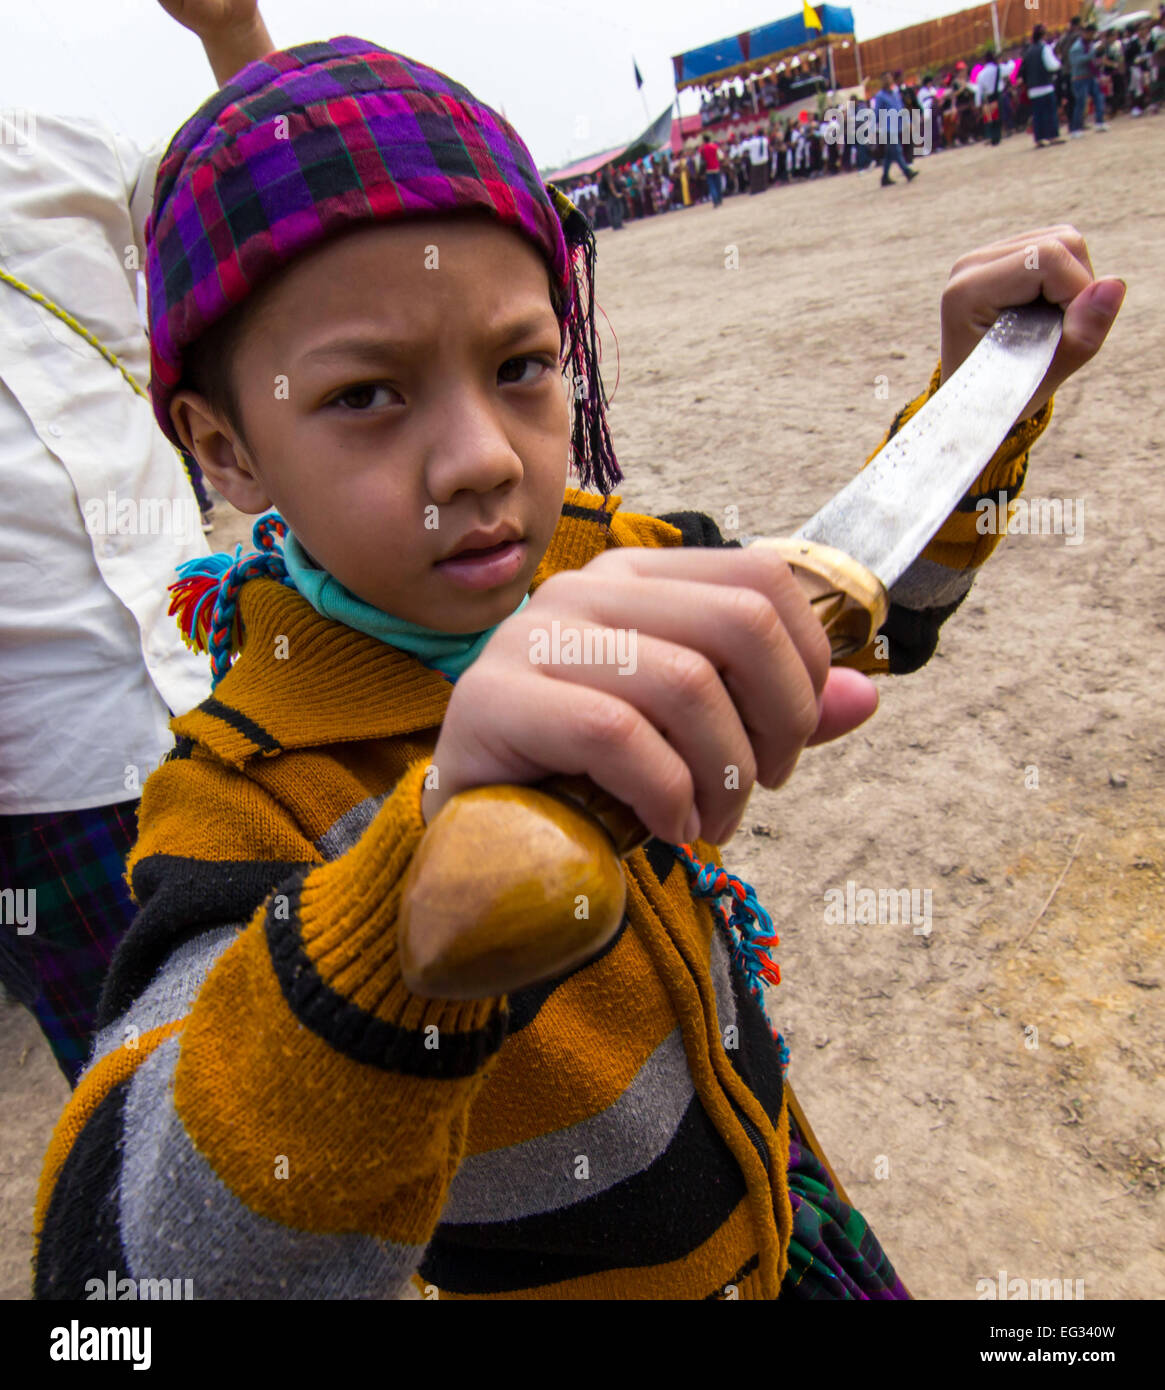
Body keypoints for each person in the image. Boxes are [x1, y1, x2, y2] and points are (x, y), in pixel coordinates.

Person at [32, 36, 1125, 1302]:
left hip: (784, 1216)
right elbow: (117, 1278)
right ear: (225, 451)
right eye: (367, 396)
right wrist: (405, 909)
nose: (481, 459)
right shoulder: (240, 788)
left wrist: (973, 401)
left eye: (519, 368)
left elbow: (870, 610)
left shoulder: (600, 558)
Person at [0, 0, 275, 1085]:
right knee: (143, 1096)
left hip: (222, 683)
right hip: (47, 784)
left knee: (322, 1027)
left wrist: (230, 29)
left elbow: (263, 196)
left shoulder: (69, 156)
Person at [1022, 23, 1065, 146]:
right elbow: (1051, 65)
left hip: (1033, 88)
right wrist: (1059, 63)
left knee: (1038, 114)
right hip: (1045, 85)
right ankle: (1053, 136)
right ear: (1043, 35)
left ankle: (1039, 138)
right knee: (1050, 112)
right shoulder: (1044, 48)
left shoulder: (1028, 51)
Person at [873, 72, 918, 186]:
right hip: (887, 128)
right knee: (897, 151)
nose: (888, 80)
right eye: (885, 79)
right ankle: (907, 172)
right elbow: (877, 113)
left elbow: (901, 108)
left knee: (889, 154)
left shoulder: (895, 93)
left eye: (889, 78)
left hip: (897, 125)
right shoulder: (880, 96)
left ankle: (885, 178)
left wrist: (908, 122)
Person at [1070, 22, 1109, 135]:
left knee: (1099, 98)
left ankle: (1100, 122)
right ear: (1085, 33)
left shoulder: (1091, 44)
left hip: (1091, 76)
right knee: (1081, 103)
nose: (1092, 36)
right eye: (1091, 33)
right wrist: (1092, 54)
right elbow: (1076, 62)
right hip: (1080, 78)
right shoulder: (1076, 47)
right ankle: (1076, 128)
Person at [976, 49, 1004, 145]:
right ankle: (997, 135)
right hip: (997, 95)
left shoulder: (981, 74)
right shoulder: (997, 69)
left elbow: (979, 90)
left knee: (990, 118)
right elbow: (1009, 69)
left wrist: (978, 103)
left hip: (988, 97)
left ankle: (992, 136)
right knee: (997, 117)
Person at [700, 136, 723, 207]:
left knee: (711, 186)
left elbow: (700, 159)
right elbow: (721, 156)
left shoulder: (702, 149)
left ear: (704, 141)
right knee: (718, 185)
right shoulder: (715, 146)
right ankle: (719, 199)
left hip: (708, 169)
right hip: (716, 167)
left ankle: (715, 200)